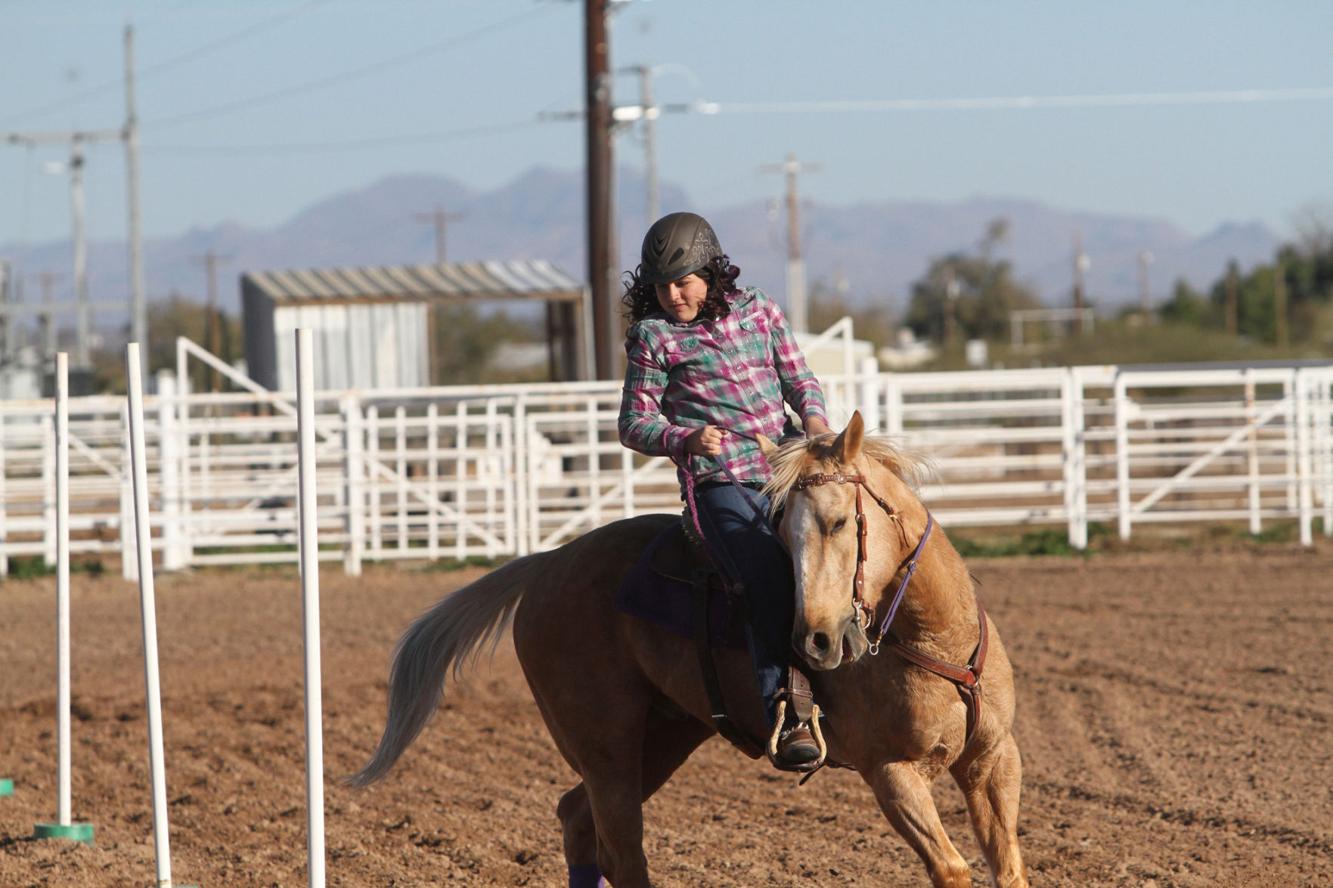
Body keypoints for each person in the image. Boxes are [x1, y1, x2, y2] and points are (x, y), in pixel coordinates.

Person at [617, 211, 832, 770]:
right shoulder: (653, 337)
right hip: (717, 482)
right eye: (661, 284)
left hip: (786, 467)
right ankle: (787, 709)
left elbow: (799, 379)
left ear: (710, 272)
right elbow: (633, 424)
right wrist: (684, 437)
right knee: (763, 571)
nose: (672, 294)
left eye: (683, 280)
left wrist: (814, 423)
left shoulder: (759, 309)